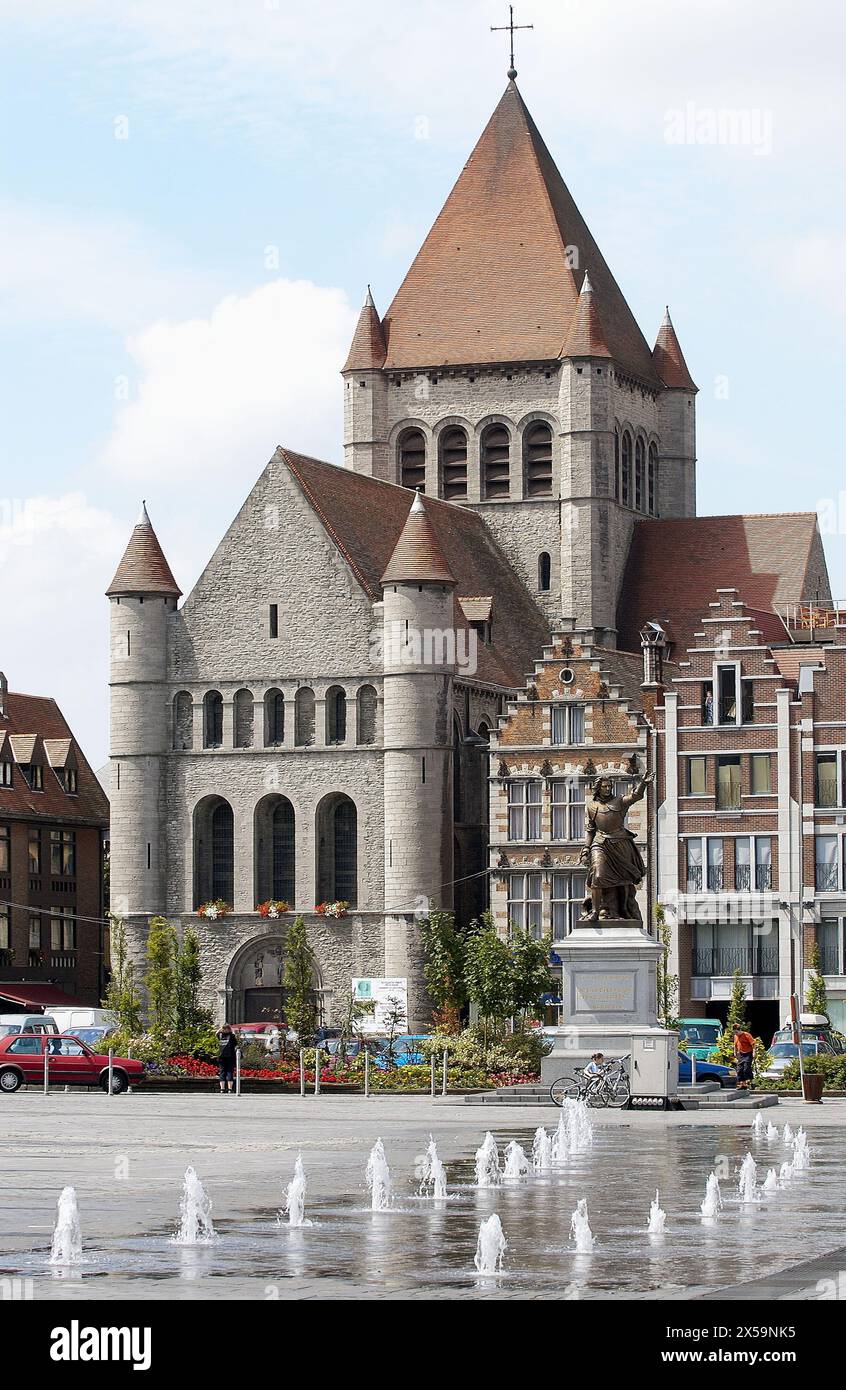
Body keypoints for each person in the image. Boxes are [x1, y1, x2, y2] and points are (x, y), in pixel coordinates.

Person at [732, 1024, 756, 1089]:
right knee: (739, 1069)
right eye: (734, 1032)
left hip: (748, 1053)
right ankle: (742, 1084)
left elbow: (753, 1044)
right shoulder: (735, 1036)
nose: (736, 1033)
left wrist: (754, 1052)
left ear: (740, 1030)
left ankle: (751, 1082)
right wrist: (735, 1052)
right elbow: (735, 1045)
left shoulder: (746, 1035)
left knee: (746, 1068)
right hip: (740, 1054)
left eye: (736, 1032)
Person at [217, 1024, 238, 1094]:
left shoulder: (220, 1035)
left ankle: (222, 1089)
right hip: (230, 1056)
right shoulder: (232, 1036)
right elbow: (236, 1044)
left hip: (221, 1056)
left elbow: (216, 1033)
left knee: (222, 1072)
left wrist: (220, 1029)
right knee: (229, 1072)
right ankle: (230, 1089)